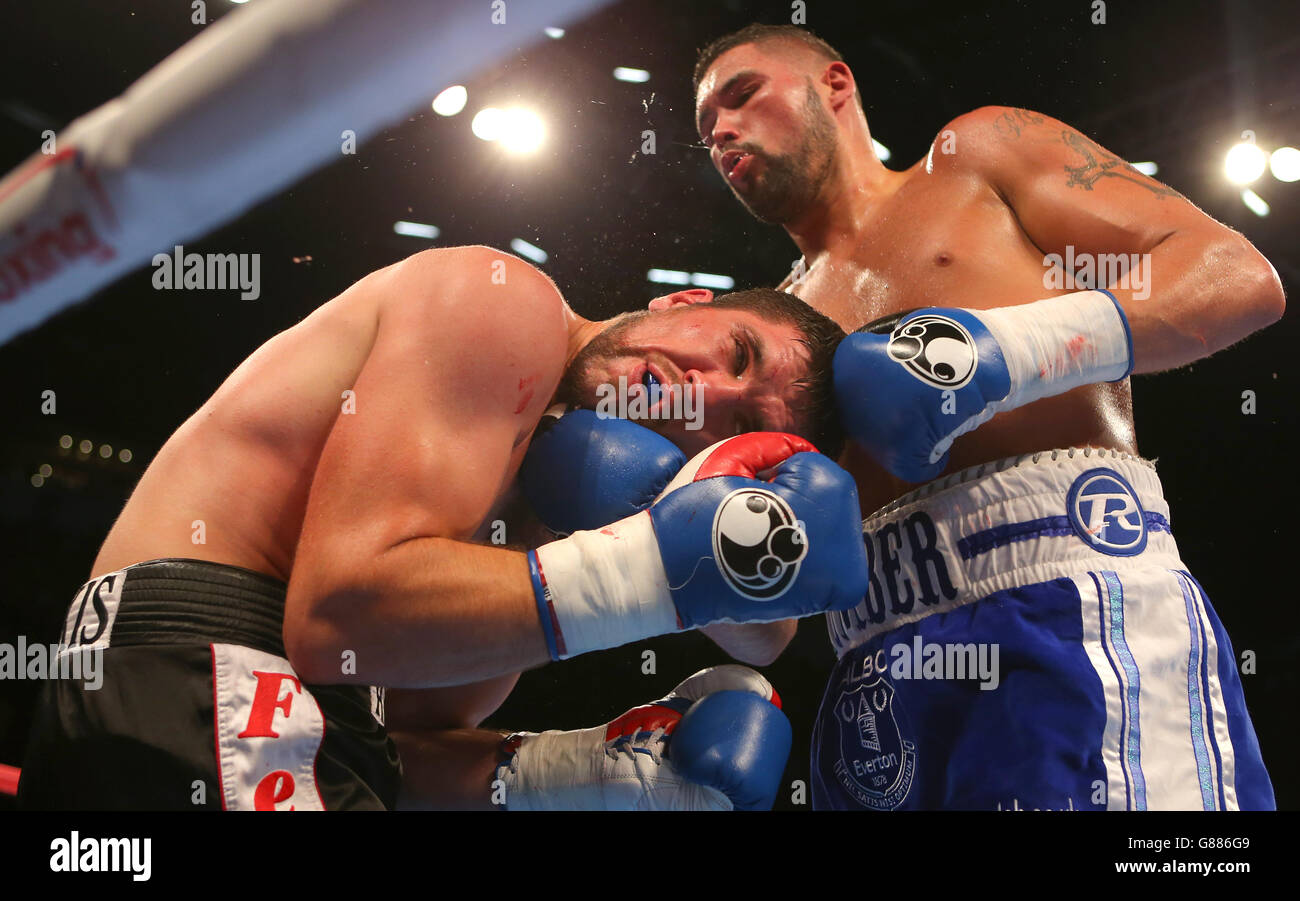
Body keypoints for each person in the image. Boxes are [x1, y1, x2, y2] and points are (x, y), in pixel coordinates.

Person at [16, 244, 870, 810]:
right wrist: (653, 570)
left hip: (218, 716)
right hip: (206, 672)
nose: (706, 391)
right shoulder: (507, 307)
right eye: (737, 352)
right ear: (686, 298)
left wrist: (590, 770)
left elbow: (390, 751)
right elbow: (337, 617)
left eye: (737, 423)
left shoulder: (543, 535)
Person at [690, 23, 1285, 810]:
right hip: (875, 678)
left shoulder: (973, 157)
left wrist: (1004, 349)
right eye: (705, 131)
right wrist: (693, 552)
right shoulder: (775, 334)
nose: (722, 130)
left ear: (834, 85)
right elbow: (776, 622)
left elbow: (1238, 277)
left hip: (1066, 601)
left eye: (741, 96)